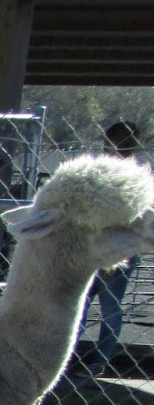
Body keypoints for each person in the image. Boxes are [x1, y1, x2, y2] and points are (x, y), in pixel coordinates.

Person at [80, 121, 142, 377]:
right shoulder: (104, 172)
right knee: (80, 303)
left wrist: (114, 258)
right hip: (94, 248)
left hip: (119, 252)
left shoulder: (132, 178)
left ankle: (99, 362)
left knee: (110, 308)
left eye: (112, 144)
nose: (108, 148)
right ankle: (67, 357)